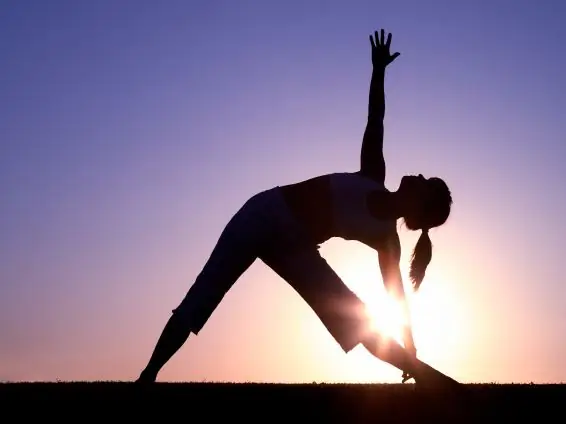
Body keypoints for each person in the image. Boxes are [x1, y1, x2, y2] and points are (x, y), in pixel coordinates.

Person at [136, 29, 453, 384]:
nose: (420, 175)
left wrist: (410, 348)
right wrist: (379, 69)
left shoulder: (387, 241)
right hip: (263, 214)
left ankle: (425, 376)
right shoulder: (372, 174)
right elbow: (375, 117)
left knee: (356, 318)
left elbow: (397, 300)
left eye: (426, 184)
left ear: (419, 209)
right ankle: (147, 378)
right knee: (205, 293)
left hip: (296, 248)